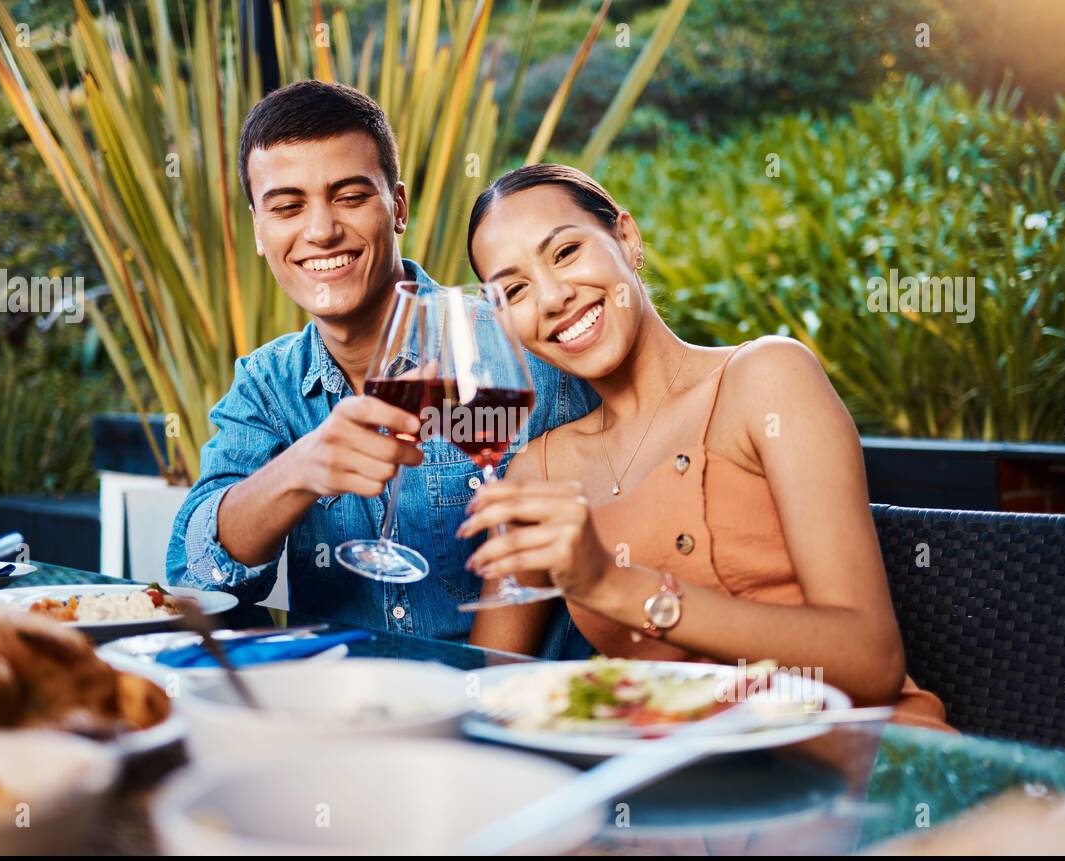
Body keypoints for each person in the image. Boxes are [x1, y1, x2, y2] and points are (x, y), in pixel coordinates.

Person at [461, 163, 950, 728]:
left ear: (627, 238)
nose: (551, 297)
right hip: (672, 770)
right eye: (514, 290)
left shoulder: (767, 378)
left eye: (566, 252)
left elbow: (872, 662)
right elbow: (485, 693)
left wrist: (614, 586)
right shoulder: (539, 473)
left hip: (854, 752)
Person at [165, 83, 596, 649]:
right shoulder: (267, 385)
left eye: (349, 196)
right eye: (288, 207)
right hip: (342, 694)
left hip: (509, 695)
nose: (321, 230)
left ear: (398, 207)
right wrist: (299, 471)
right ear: (259, 231)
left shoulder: (521, 342)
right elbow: (193, 575)